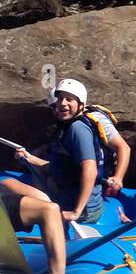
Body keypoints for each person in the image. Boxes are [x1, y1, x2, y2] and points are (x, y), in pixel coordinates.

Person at [15, 79, 104, 226]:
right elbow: (62, 165)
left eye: (69, 99)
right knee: (39, 172)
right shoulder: (67, 127)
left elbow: (90, 169)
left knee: (8, 185)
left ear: (81, 105)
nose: (62, 103)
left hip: (84, 211)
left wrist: (76, 212)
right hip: (70, 194)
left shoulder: (78, 129)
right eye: (60, 98)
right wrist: (28, 158)